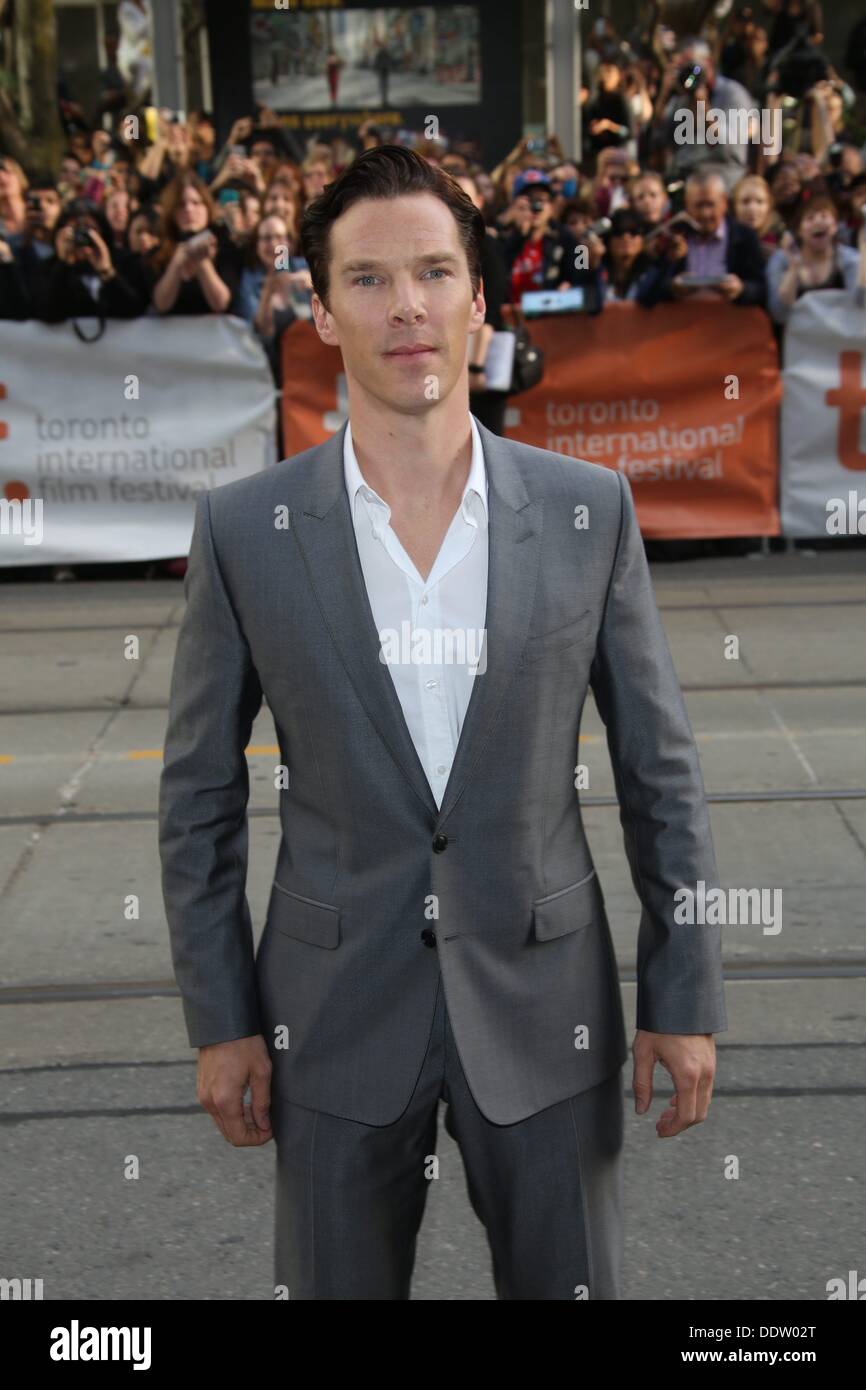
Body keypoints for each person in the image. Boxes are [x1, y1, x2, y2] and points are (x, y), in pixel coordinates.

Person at [159, 143, 726, 1302]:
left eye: (432, 271)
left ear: (478, 298)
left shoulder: (585, 512)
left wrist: (683, 998)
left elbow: (658, 771)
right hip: (323, 1024)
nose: (404, 304)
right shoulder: (241, 531)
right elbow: (198, 800)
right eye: (367, 279)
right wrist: (221, 1020)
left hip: (546, 1014)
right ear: (319, 311)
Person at [636, 168, 767, 308]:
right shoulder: (674, 236)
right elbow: (645, 295)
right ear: (687, 204)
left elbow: (762, 290)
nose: (705, 214)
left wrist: (741, 289)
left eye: (710, 205)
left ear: (724, 202)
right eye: (698, 206)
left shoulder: (744, 237)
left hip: (729, 326)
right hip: (680, 326)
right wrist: (672, 287)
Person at [456, 171, 510, 435]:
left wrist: (476, 366)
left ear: (479, 200)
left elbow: (490, 308)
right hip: (450, 364)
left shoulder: (487, 246)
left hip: (481, 362)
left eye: (465, 196)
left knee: (486, 438)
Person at [150, 172, 242, 315]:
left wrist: (201, 261)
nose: (189, 209)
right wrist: (177, 262)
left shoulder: (226, 248)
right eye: (181, 205)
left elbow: (221, 304)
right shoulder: (160, 252)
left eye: (196, 203)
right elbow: (161, 304)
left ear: (207, 207)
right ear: (172, 212)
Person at [766, 191, 863, 323]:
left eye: (824, 216)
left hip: (841, 338)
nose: (818, 222)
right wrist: (794, 268)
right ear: (800, 230)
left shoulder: (850, 259)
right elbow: (779, 315)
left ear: (834, 226)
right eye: (810, 218)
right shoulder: (782, 260)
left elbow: (860, 306)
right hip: (799, 340)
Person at [732, 174, 783, 260]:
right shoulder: (727, 243)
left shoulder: (781, 243)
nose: (752, 208)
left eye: (760, 202)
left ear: (769, 206)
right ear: (735, 206)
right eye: (745, 202)